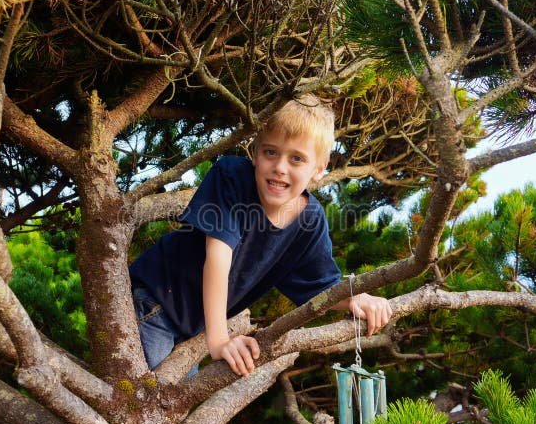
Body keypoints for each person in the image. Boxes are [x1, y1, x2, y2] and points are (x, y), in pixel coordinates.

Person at [129, 95, 392, 376]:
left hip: (193, 326)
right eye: (270, 152)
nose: (280, 166)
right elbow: (218, 255)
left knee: (170, 411)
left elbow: (320, 287)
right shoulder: (232, 176)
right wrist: (219, 341)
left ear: (318, 169)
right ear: (255, 153)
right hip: (155, 303)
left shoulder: (310, 220)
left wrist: (355, 297)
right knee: (147, 405)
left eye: (297, 159)